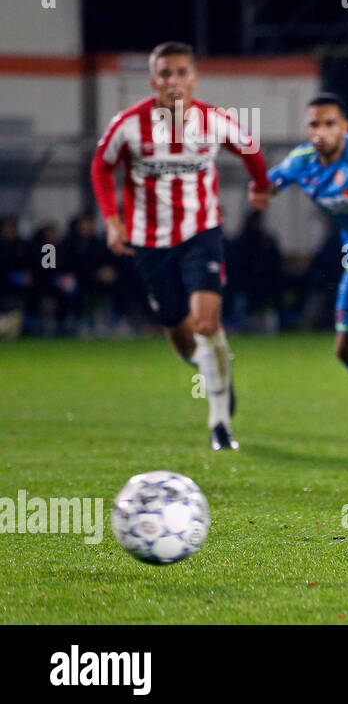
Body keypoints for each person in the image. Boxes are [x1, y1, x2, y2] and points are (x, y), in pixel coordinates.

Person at [90, 41, 269, 451]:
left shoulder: (214, 121)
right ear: (154, 79)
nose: (173, 80)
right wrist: (112, 220)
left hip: (201, 235)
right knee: (180, 332)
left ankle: (220, 423)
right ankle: (216, 372)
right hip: (149, 243)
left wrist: (260, 188)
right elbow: (101, 166)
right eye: (165, 73)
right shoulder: (129, 124)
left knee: (207, 324)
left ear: (194, 77)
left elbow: (252, 151)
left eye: (181, 72)